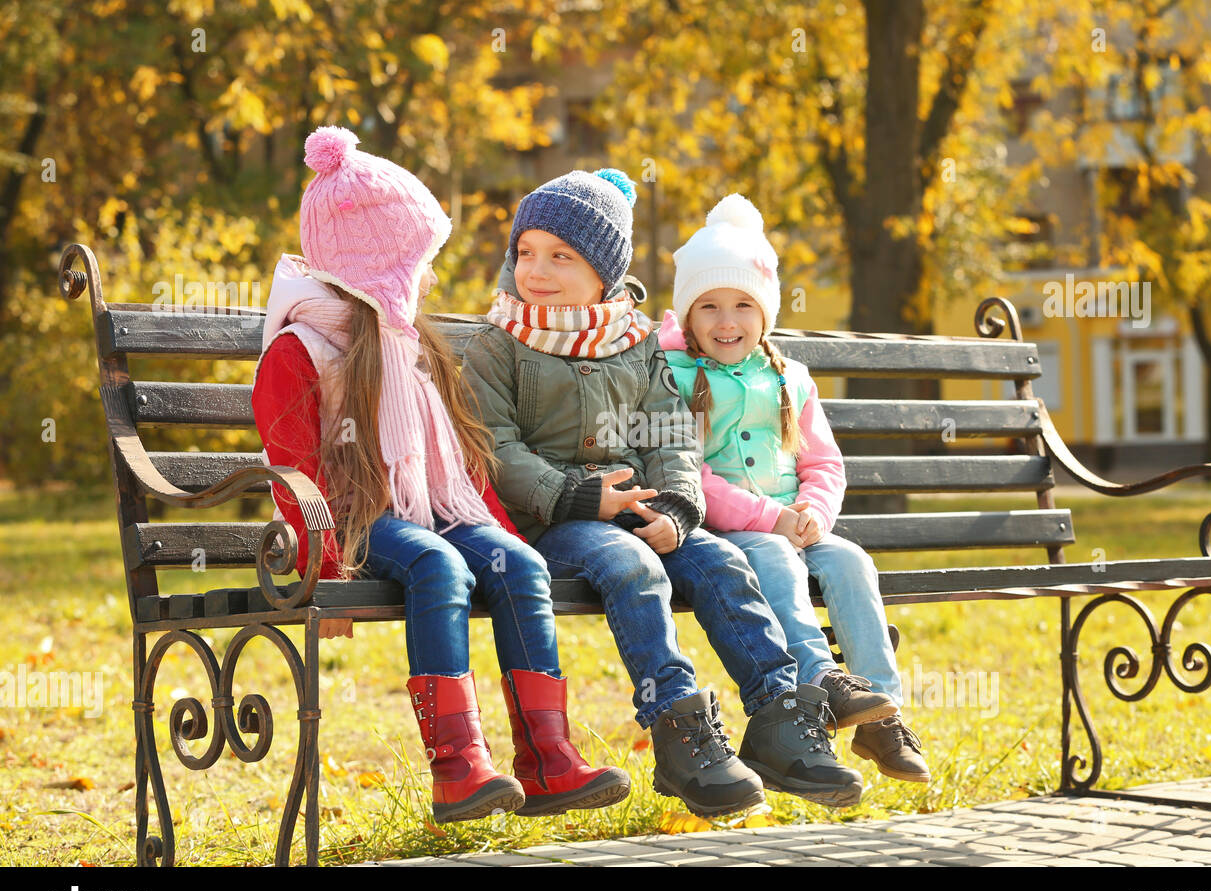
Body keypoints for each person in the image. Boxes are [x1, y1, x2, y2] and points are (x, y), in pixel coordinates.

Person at [251, 127, 630, 823]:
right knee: (437, 567)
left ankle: (548, 759)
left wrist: (509, 535)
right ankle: (458, 766)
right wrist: (320, 563)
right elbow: (293, 467)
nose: (427, 277)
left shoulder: (412, 345)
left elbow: (458, 460)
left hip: (437, 507)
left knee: (516, 568)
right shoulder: (301, 347)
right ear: (377, 264)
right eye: (417, 259)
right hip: (361, 517)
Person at [460, 168, 864, 817]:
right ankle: (679, 729)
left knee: (723, 563)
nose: (537, 269)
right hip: (552, 519)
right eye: (526, 253)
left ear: (604, 271)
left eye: (561, 256)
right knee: (633, 566)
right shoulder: (497, 347)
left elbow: (674, 438)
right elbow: (496, 450)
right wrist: (583, 496)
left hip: (641, 508)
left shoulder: (636, 342)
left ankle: (779, 716)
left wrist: (678, 507)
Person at [657, 193, 931, 783]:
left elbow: (825, 462)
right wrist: (770, 519)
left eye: (742, 305)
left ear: (765, 314)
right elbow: (685, 472)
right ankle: (820, 678)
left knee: (853, 561)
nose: (726, 321)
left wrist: (813, 511)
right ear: (687, 316)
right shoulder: (672, 377)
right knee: (778, 556)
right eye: (708, 307)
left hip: (797, 524)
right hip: (727, 530)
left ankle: (883, 716)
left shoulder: (790, 377)